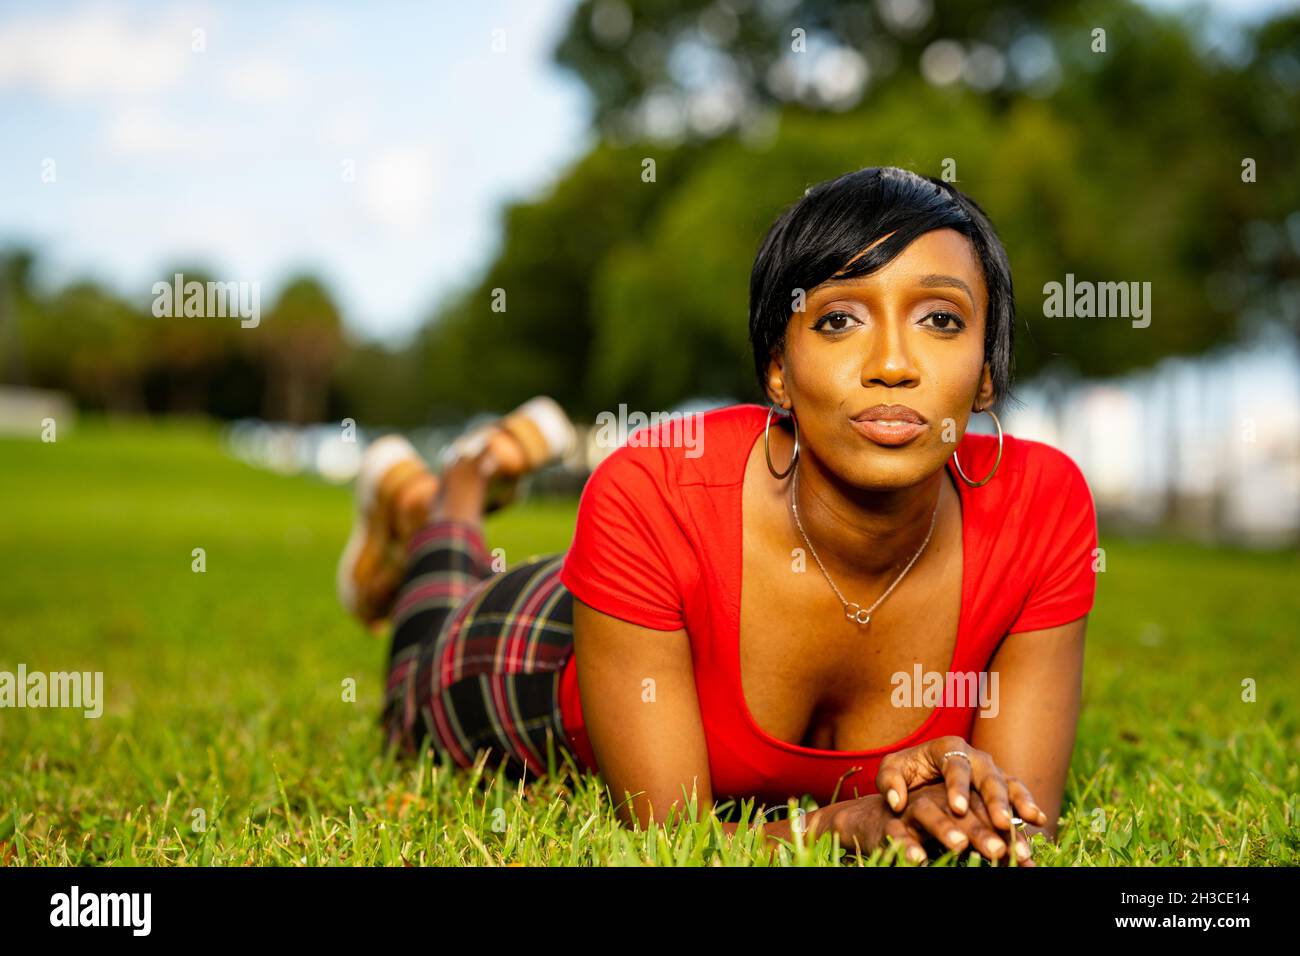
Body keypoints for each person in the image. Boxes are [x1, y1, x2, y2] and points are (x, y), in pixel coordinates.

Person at [336, 166, 1098, 865]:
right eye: (837, 321)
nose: (893, 364)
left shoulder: (1045, 510)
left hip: (645, 602)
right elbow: (670, 844)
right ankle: (456, 487)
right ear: (778, 372)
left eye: (940, 319)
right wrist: (842, 825)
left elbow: (1021, 825)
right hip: (535, 647)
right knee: (424, 638)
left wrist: (967, 802)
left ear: (988, 373)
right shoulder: (651, 490)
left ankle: (429, 488)